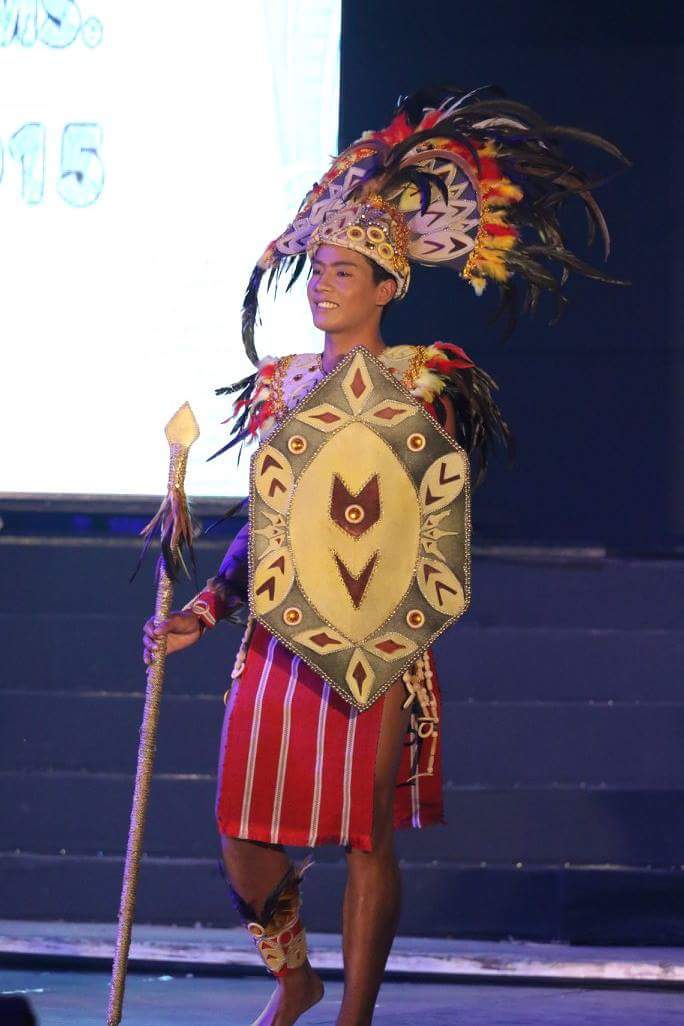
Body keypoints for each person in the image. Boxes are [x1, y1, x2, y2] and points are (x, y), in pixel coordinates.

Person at [142, 86, 626, 1026]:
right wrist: (205, 610)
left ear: (387, 286)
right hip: (280, 636)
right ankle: (295, 974)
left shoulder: (425, 379)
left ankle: (353, 1016)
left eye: (345, 272)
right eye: (317, 268)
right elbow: (271, 518)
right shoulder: (280, 385)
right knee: (243, 837)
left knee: (366, 833)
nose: (323, 284)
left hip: (374, 635)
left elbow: (412, 509)